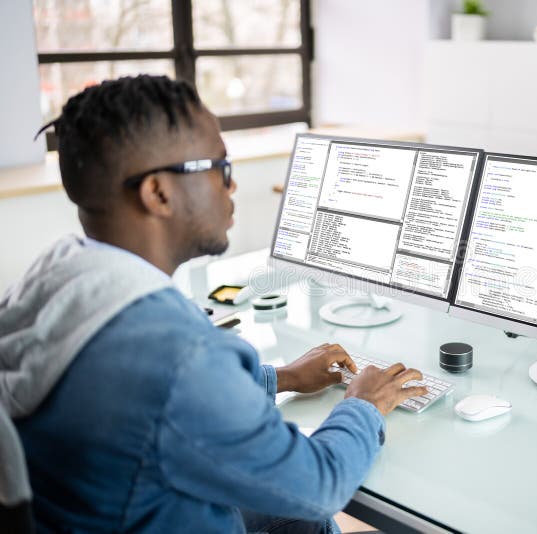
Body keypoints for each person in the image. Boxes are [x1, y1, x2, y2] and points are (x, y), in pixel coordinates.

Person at [0, 75, 428, 533]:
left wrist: (281, 377)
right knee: (315, 511)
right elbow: (321, 484)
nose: (233, 184)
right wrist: (363, 403)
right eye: (220, 168)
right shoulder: (179, 357)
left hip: (114, 507)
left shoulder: (53, 281)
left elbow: (156, 410)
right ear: (158, 193)